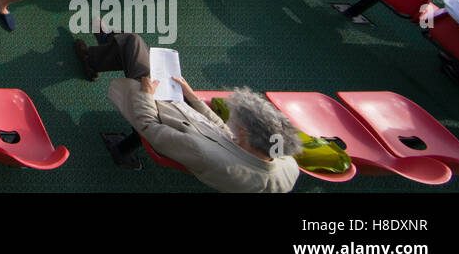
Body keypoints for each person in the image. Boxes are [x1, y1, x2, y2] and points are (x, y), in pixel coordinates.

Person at [74, 31, 301, 192]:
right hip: (188, 116)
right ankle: (106, 49)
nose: (230, 122)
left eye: (237, 123)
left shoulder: (205, 153)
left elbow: (150, 128)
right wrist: (192, 97)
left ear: (245, 134)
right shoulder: (286, 165)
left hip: (159, 111)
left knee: (133, 43)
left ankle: (101, 51)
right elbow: (223, 132)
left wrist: (147, 95)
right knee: (132, 48)